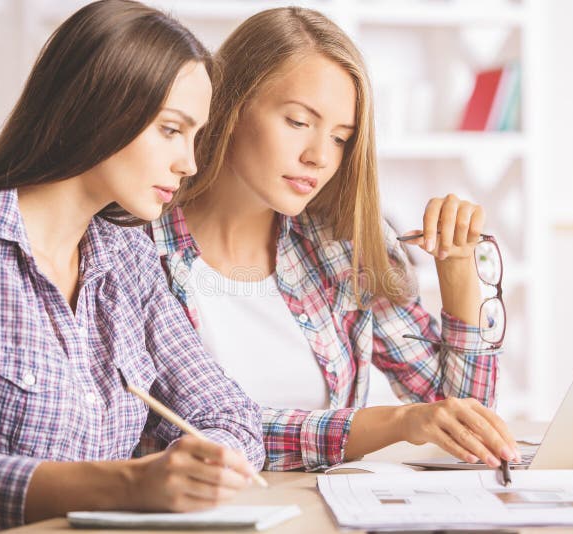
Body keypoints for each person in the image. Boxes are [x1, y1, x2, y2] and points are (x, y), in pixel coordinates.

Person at [0, 1, 265, 532]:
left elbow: (229, 413)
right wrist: (130, 485)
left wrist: (200, 465)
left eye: (195, 137)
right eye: (172, 130)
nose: (189, 164)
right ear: (101, 108)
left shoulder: (129, 258)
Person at [145, 6, 520, 472]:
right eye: (298, 122)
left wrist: (457, 267)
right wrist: (393, 423)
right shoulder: (137, 245)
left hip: (322, 507)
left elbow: (463, 424)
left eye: (341, 138)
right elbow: (190, 429)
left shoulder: (341, 247)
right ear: (229, 105)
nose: (319, 156)